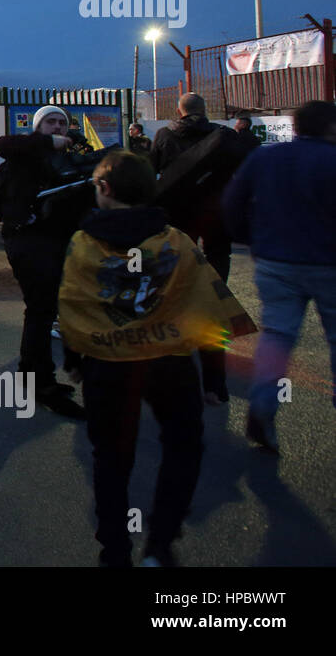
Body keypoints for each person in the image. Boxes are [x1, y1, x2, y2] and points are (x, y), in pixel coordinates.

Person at [59, 151, 255, 567]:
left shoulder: (82, 244)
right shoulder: (177, 242)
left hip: (106, 365)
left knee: (110, 458)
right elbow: (205, 307)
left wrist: (74, 358)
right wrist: (213, 379)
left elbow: (74, 304)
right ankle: (161, 543)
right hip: (169, 363)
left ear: (104, 189)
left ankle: (115, 551)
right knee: (182, 447)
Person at [223, 100, 336, 454]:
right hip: (329, 264)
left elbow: (231, 203)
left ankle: (263, 403)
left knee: (277, 335)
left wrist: (251, 238)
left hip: (274, 261)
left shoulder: (265, 157)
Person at [0, 105, 91, 418]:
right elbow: (2, 145)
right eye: (51, 121)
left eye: (62, 122)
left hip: (57, 241)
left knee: (43, 311)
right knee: (42, 311)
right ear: (38, 127)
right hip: (30, 242)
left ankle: (31, 374)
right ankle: (42, 385)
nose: (58, 127)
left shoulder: (67, 154)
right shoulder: (24, 150)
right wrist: (48, 143)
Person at [151, 92, 248, 405]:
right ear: (205, 110)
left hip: (178, 213)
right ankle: (210, 311)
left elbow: (152, 170)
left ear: (179, 110)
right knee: (217, 268)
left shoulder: (165, 135)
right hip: (216, 213)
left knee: (178, 270)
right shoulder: (222, 136)